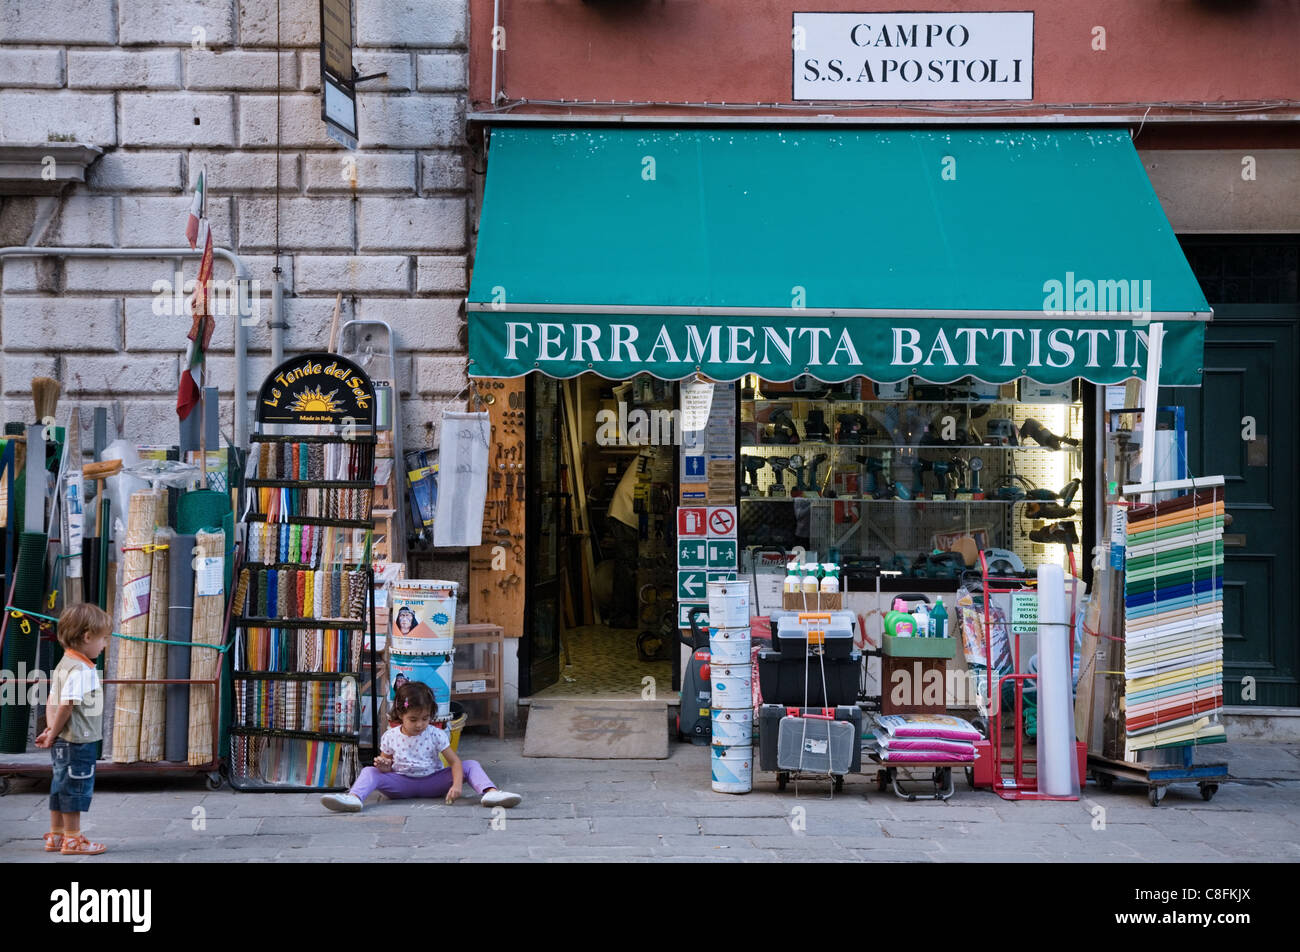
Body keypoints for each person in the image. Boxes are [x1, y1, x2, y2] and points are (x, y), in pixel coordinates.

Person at [320, 681, 521, 812]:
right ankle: (354, 798)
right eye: (413, 719)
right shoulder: (390, 736)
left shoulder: (435, 734)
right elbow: (386, 765)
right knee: (370, 771)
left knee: (470, 764)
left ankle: (491, 792)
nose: (420, 725)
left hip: (432, 782)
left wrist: (457, 785)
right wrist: (383, 765)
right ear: (400, 715)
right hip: (400, 784)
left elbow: (455, 763)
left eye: (425, 719)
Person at [34, 603, 113, 855]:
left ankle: (56, 836)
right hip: (78, 741)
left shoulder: (64, 662)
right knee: (76, 789)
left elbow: (52, 700)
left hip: (61, 740)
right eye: (103, 639)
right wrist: (54, 732)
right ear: (87, 637)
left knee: (60, 786)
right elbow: (66, 706)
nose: (104, 644)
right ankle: (73, 839)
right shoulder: (83, 670)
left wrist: (49, 730)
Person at [605, 450, 651, 629]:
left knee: (627, 567)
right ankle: (620, 617)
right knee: (627, 568)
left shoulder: (652, 451)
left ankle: (624, 615)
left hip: (626, 512)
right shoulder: (657, 453)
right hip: (625, 513)